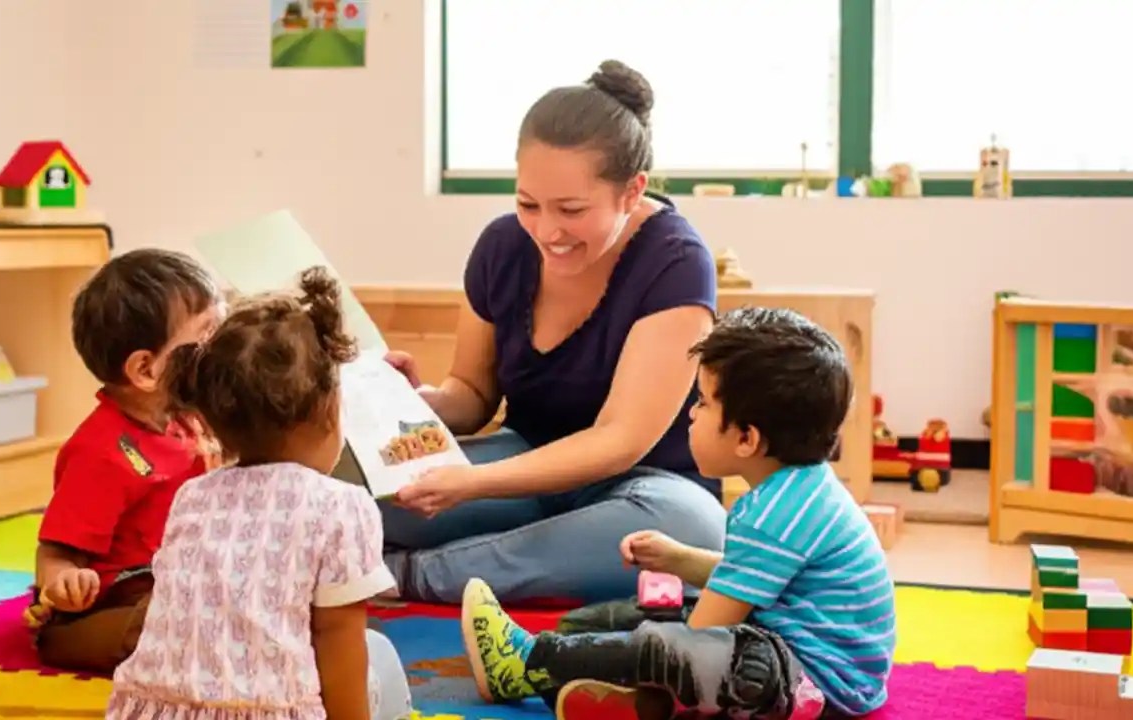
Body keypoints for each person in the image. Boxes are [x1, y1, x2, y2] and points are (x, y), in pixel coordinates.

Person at [381, 58, 726, 605]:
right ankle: (474, 563)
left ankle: (404, 575)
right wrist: (414, 401)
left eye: (571, 209)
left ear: (632, 192)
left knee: (693, 533)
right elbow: (470, 396)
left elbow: (620, 441)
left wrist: (471, 485)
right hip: (522, 466)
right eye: (527, 204)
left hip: (646, 485)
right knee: (372, 500)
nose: (547, 230)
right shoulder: (501, 246)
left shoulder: (676, 261)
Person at [458, 307, 897, 719]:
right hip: (794, 653)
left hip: (814, 685)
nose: (691, 413)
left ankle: (524, 663)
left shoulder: (774, 516)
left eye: (703, 402)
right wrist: (676, 558)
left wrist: (652, 643)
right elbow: (746, 579)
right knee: (618, 621)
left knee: (670, 643)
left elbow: (702, 634)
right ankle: (621, 694)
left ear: (747, 439)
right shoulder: (799, 489)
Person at [107, 267, 413, 720]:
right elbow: (340, 640)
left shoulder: (192, 496)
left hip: (150, 712)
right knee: (377, 656)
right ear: (331, 409)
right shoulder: (342, 506)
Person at [26, 248, 225, 674]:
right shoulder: (100, 453)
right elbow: (56, 552)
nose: (221, 347)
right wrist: (62, 581)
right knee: (169, 622)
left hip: (179, 584)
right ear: (146, 369)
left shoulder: (186, 417)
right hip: (110, 607)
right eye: (208, 335)